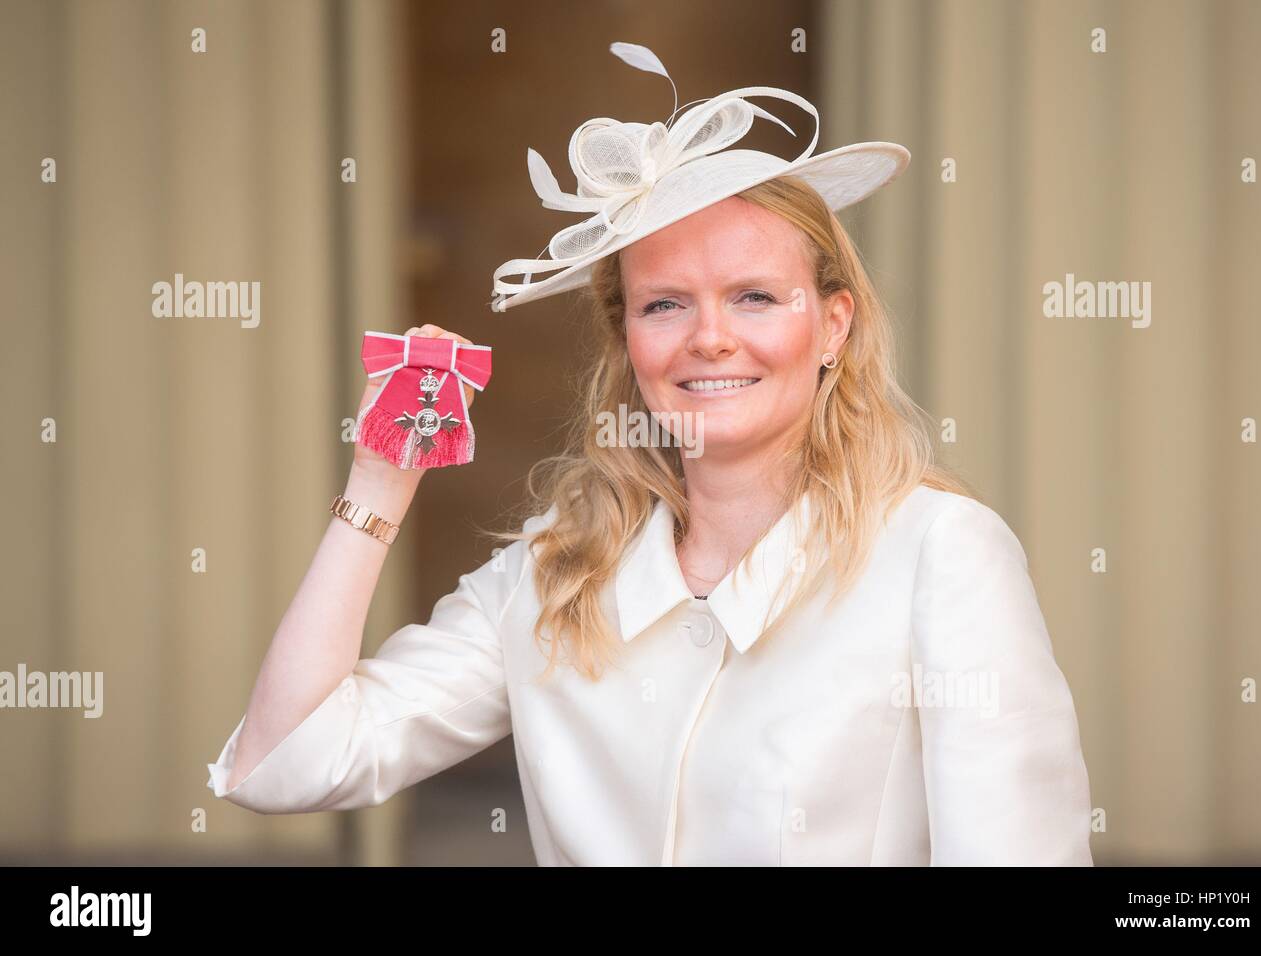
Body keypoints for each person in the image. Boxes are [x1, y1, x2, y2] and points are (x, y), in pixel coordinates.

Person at [206, 45, 1094, 866]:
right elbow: (286, 765)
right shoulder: (557, 569)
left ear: (832, 324)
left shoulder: (941, 554)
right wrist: (379, 481)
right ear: (625, 337)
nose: (710, 339)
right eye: (665, 305)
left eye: (753, 297)